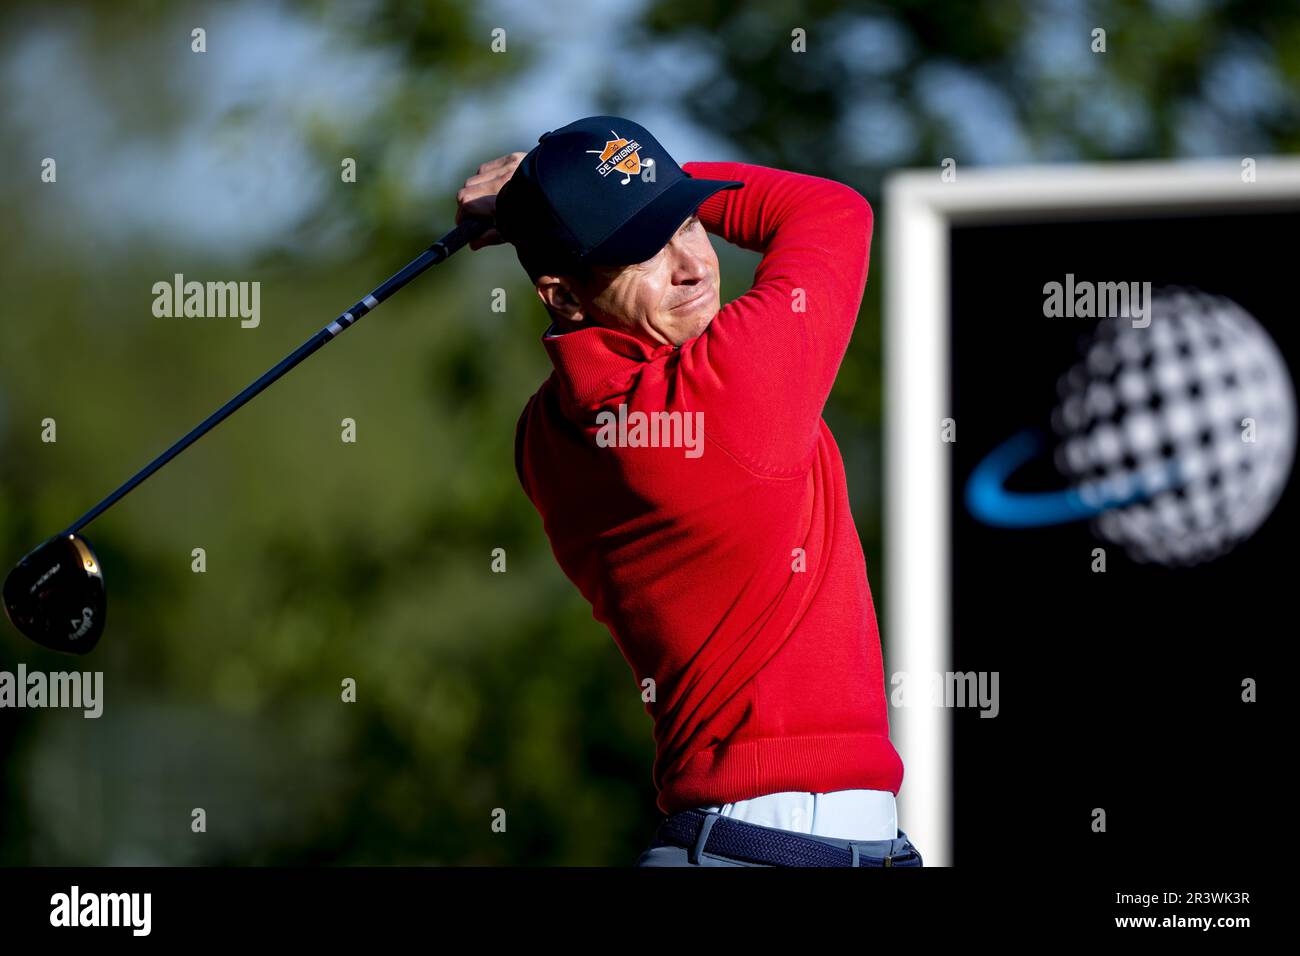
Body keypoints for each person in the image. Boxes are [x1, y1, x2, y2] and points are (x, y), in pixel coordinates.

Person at [455, 115, 922, 867]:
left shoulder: (544, 432)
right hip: (775, 849)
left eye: (685, 221)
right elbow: (832, 211)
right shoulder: (723, 397)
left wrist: (566, 193)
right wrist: (555, 189)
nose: (692, 264)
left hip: (777, 843)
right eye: (639, 249)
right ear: (565, 297)